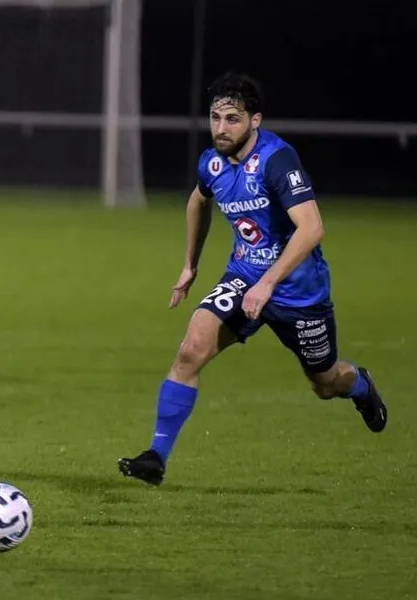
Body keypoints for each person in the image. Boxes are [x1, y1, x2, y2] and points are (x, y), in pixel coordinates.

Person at [117, 72, 388, 486]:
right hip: (243, 277)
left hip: (298, 292)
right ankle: (156, 456)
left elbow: (312, 227)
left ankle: (361, 387)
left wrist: (268, 284)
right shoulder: (211, 163)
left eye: (232, 119)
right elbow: (198, 200)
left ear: (255, 120)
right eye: (215, 118)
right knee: (191, 349)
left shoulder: (277, 160)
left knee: (325, 382)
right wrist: (191, 263)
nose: (221, 129)